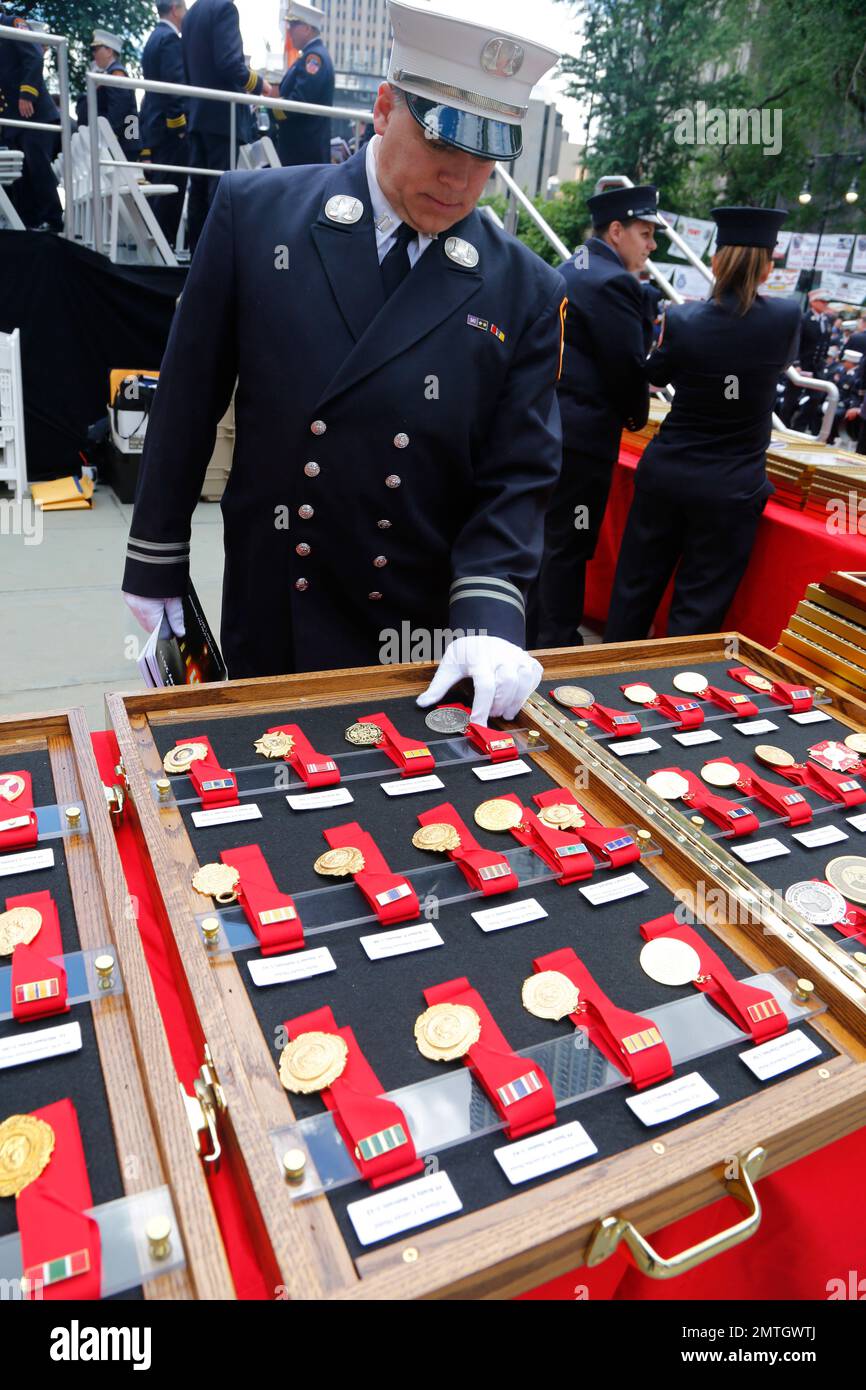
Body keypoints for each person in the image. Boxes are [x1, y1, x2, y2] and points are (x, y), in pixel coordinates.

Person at [122, 0, 564, 727]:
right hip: (279, 591)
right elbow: (189, 395)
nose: (459, 178)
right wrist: (156, 556)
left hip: (423, 626)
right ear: (385, 108)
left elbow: (518, 472)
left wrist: (486, 616)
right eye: (440, 145)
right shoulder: (256, 215)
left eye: (486, 157)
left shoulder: (525, 288)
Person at [605, 206, 801, 641]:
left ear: (715, 262)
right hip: (732, 488)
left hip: (669, 474)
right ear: (768, 267)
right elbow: (780, 361)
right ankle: (676, 694)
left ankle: (604, 682)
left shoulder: (684, 320)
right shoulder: (785, 319)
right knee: (699, 607)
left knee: (634, 590)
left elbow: (655, 375)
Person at [528, 184, 661, 648]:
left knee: (544, 538)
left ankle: (532, 632)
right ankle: (556, 640)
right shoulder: (615, 282)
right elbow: (627, 366)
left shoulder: (569, 269)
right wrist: (635, 416)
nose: (652, 245)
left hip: (549, 424)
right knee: (570, 545)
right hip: (584, 439)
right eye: (645, 233)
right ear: (617, 230)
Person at [182, 0, 277, 250]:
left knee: (199, 190)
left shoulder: (191, 14)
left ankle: (197, 255)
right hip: (222, 117)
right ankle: (213, 256)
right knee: (217, 190)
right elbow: (229, 62)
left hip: (198, 115)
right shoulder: (224, 8)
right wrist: (260, 85)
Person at [0, 16, 62, 232]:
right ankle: (29, 224)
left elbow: (35, 57)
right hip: (11, 118)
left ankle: (53, 220)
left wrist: (27, 93)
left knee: (38, 167)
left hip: (34, 112)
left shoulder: (11, 23)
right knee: (20, 175)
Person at [140, 0, 188, 246]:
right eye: (184, 10)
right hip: (169, 130)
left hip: (156, 126)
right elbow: (174, 88)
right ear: (175, 10)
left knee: (161, 187)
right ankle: (164, 245)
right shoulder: (170, 40)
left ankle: (157, 243)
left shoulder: (153, 38)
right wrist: (180, 127)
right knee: (171, 189)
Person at [276, 2, 334, 167]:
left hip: (303, 151)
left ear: (308, 29)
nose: (289, 30)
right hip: (301, 150)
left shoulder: (314, 58)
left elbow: (300, 102)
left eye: (294, 25)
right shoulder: (309, 56)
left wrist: (273, 108)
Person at [87, 30, 142, 160]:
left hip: (122, 142)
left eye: (96, 49)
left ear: (109, 51)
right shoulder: (109, 73)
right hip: (122, 140)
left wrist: (109, 136)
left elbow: (119, 109)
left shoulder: (116, 73)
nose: (94, 54)